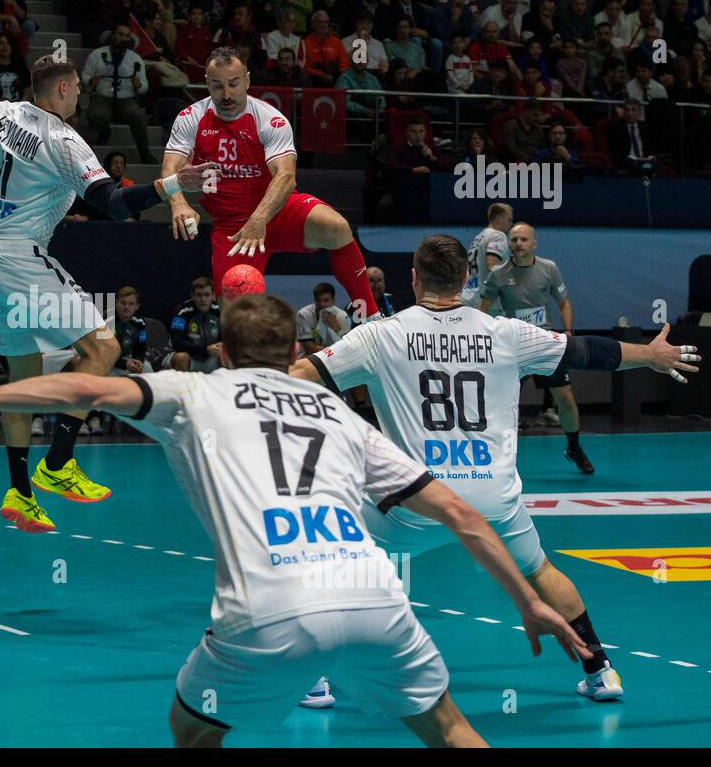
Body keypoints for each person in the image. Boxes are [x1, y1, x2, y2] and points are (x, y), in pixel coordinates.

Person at [0, 294, 593, 746]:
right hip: (379, 599)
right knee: (448, 728)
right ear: (295, 354)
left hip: (269, 610)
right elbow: (463, 514)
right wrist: (527, 600)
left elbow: (83, 385)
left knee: (192, 727)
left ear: (223, 350)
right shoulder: (341, 416)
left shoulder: (195, 390)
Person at [292, 235, 699, 703]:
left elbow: (302, 376)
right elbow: (585, 351)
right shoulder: (506, 332)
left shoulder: (379, 336)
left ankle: (314, 676)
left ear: (413, 278)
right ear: (467, 279)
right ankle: (600, 671)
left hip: (419, 501)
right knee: (540, 569)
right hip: (494, 500)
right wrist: (650, 354)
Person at [0, 55, 217, 532]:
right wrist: (172, 184)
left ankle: (20, 493)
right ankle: (59, 461)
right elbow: (113, 206)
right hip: (23, 258)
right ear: (62, 89)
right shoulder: (65, 141)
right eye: (79, 88)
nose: (82, 96)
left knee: (22, 377)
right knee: (103, 345)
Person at [161, 47, 381, 319]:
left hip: (279, 210)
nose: (227, 94)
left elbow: (286, 177)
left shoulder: (270, 119)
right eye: (217, 86)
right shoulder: (190, 119)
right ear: (207, 82)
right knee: (236, 313)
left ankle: (369, 316)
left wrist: (259, 219)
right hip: (233, 228)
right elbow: (168, 169)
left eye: (234, 84)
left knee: (336, 227)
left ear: (248, 81)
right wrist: (179, 204)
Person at [478, 223, 592, 472]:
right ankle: (492, 455)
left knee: (565, 399)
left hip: (544, 343)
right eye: (514, 239)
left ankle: (574, 447)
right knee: (499, 402)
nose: (518, 243)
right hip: (512, 346)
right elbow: (483, 309)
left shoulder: (548, 268)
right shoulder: (497, 273)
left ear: (534, 243)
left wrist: (568, 332)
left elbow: (564, 303)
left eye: (523, 240)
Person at [81, 24, 153, 165]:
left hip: (126, 98)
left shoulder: (135, 59)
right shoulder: (97, 54)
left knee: (137, 115)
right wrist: (90, 80)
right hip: (102, 96)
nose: (123, 38)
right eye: (120, 34)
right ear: (113, 35)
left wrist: (138, 85)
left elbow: (144, 86)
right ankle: (95, 142)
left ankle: (145, 153)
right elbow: (85, 75)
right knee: (97, 114)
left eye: (126, 36)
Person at [461, 202, 512, 312]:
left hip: (468, 298)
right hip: (486, 303)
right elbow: (493, 266)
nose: (510, 224)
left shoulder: (479, 237)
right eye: (509, 220)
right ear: (499, 219)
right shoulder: (497, 235)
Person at [168, 278, 222, 372]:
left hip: (211, 358)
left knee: (229, 356)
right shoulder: (181, 312)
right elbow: (177, 343)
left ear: (213, 296)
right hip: (190, 358)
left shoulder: (220, 311)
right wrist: (205, 350)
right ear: (192, 296)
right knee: (181, 357)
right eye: (199, 295)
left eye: (207, 295)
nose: (203, 299)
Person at [296, 283, 350, 355]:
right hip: (311, 356)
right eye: (318, 300)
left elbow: (347, 346)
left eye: (326, 300)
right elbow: (309, 348)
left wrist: (337, 329)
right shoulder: (303, 315)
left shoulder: (342, 316)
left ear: (333, 300)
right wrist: (331, 353)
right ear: (314, 300)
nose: (322, 304)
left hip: (336, 356)